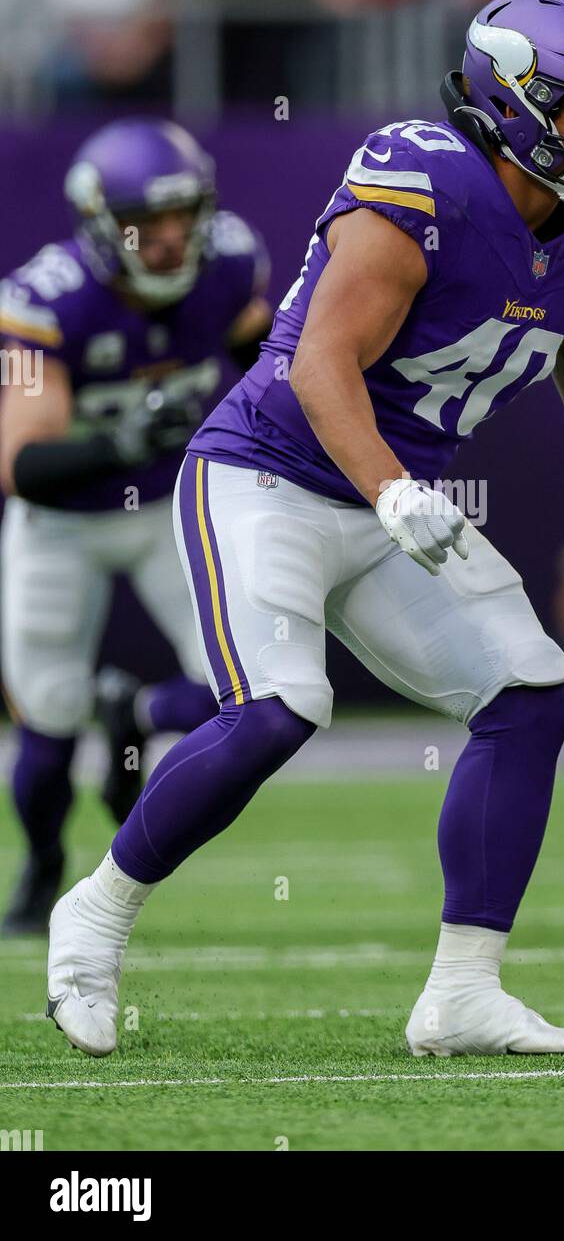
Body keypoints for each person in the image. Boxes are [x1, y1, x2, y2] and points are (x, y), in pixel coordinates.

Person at [43, 0, 564, 1058]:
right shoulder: (424, 183)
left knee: (529, 693)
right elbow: (317, 364)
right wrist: (394, 489)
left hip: (395, 505)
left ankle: (461, 989)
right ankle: (96, 913)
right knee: (277, 708)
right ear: (514, 101)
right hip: (268, 474)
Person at [0, 118, 272, 934]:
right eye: (146, 223)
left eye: (183, 215)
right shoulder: (47, 299)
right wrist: (119, 441)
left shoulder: (227, 263)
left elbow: (272, 362)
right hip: (62, 524)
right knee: (46, 718)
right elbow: (19, 463)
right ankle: (44, 863)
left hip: (169, 509)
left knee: (253, 692)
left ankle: (138, 713)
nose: (169, 238)